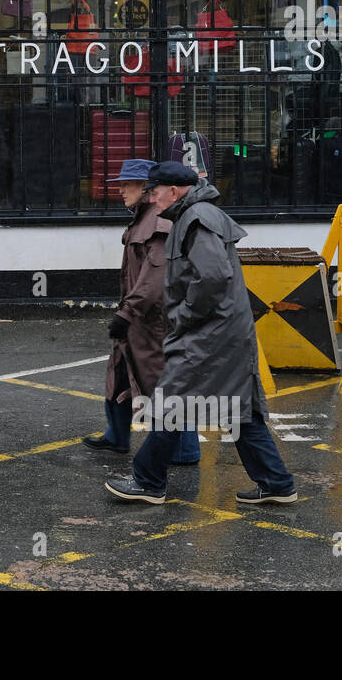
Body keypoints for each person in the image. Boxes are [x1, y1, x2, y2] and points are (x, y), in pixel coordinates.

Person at [104, 161, 297, 506]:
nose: (153, 197)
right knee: (238, 410)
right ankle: (277, 484)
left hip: (208, 335)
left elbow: (211, 277)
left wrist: (185, 315)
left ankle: (148, 482)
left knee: (170, 403)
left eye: (156, 191)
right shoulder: (195, 215)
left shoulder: (197, 218)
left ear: (174, 191)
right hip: (222, 333)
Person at [83, 159, 200, 464]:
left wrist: (127, 312)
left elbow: (155, 275)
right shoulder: (142, 217)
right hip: (138, 320)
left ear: (147, 189)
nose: (120, 190)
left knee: (164, 384)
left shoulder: (158, 221)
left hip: (152, 322)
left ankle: (186, 450)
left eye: (127, 184)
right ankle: (117, 437)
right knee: (120, 374)